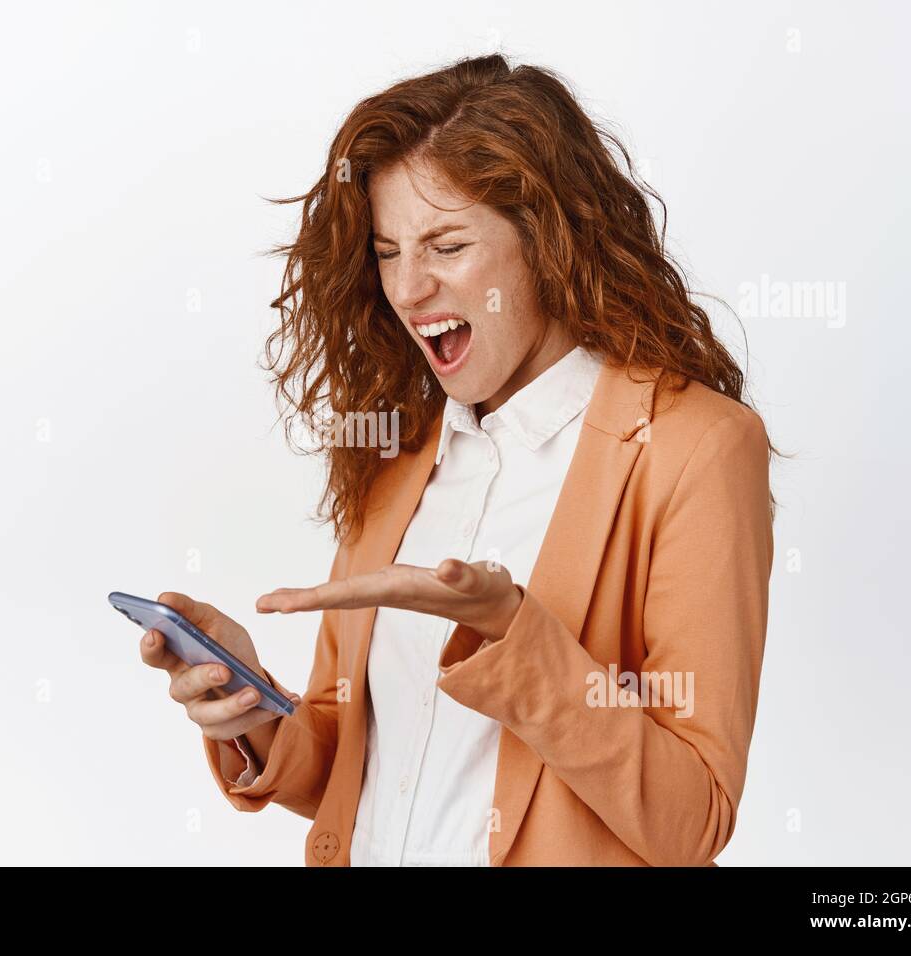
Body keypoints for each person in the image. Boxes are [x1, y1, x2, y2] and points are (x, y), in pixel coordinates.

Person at [139, 53, 776, 866]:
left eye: (445, 245)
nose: (408, 290)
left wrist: (514, 634)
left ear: (548, 240)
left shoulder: (695, 447)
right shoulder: (398, 451)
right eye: (388, 250)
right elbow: (363, 763)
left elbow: (691, 821)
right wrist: (255, 709)